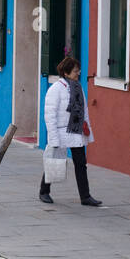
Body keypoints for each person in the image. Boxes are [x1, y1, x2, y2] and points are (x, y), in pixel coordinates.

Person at [39, 56, 101, 206]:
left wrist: (87, 129)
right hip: (60, 131)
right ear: (66, 73)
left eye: (78, 71)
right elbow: (50, 114)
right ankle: (44, 191)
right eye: (75, 71)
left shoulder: (78, 88)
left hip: (76, 131)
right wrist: (53, 137)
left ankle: (85, 196)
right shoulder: (56, 89)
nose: (77, 74)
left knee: (81, 163)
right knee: (54, 160)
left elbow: (84, 111)